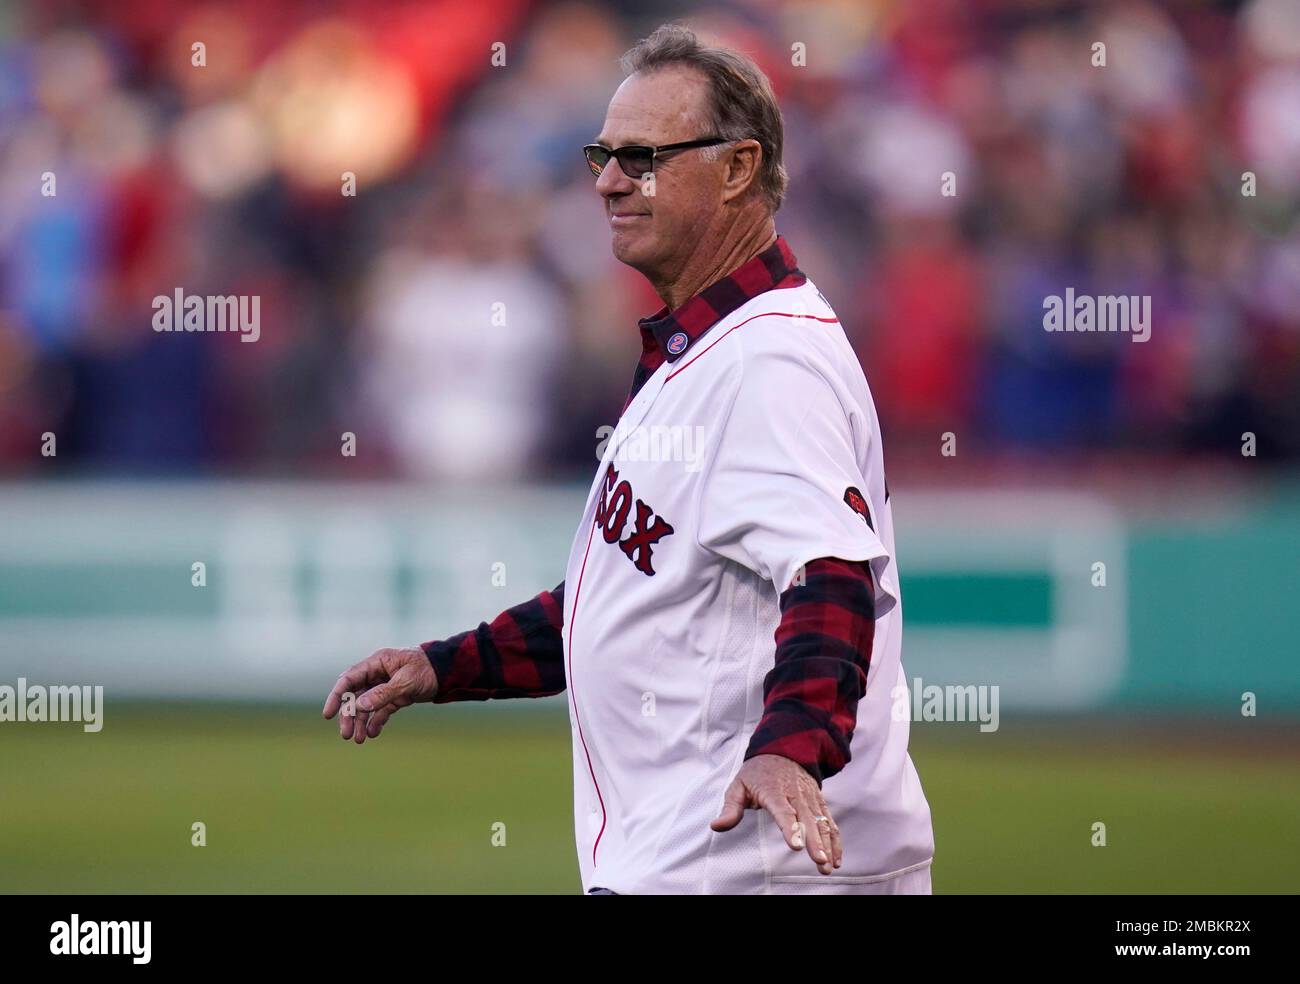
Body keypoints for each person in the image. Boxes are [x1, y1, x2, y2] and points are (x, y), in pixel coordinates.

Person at [323, 24, 934, 895]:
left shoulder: (768, 362)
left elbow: (832, 577)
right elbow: (633, 599)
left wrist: (792, 751)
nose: (609, 181)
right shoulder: (709, 346)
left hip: (753, 864)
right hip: (708, 859)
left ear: (736, 168)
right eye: (603, 155)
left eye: (642, 158)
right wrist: (442, 666)